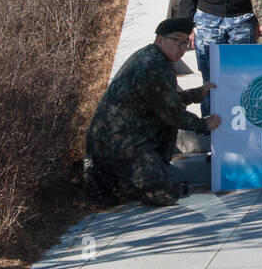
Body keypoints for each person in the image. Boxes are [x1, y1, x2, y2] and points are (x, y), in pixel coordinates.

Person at [84, 17, 219, 207]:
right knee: (168, 194)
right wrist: (204, 124)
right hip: (120, 143)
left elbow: (163, 101)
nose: (181, 48)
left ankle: (123, 178)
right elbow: (171, 112)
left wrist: (197, 93)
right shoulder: (152, 65)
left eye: (185, 42)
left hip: (128, 138)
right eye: (176, 41)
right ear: (160, 40)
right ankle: (116, 180)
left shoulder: (155, 58)